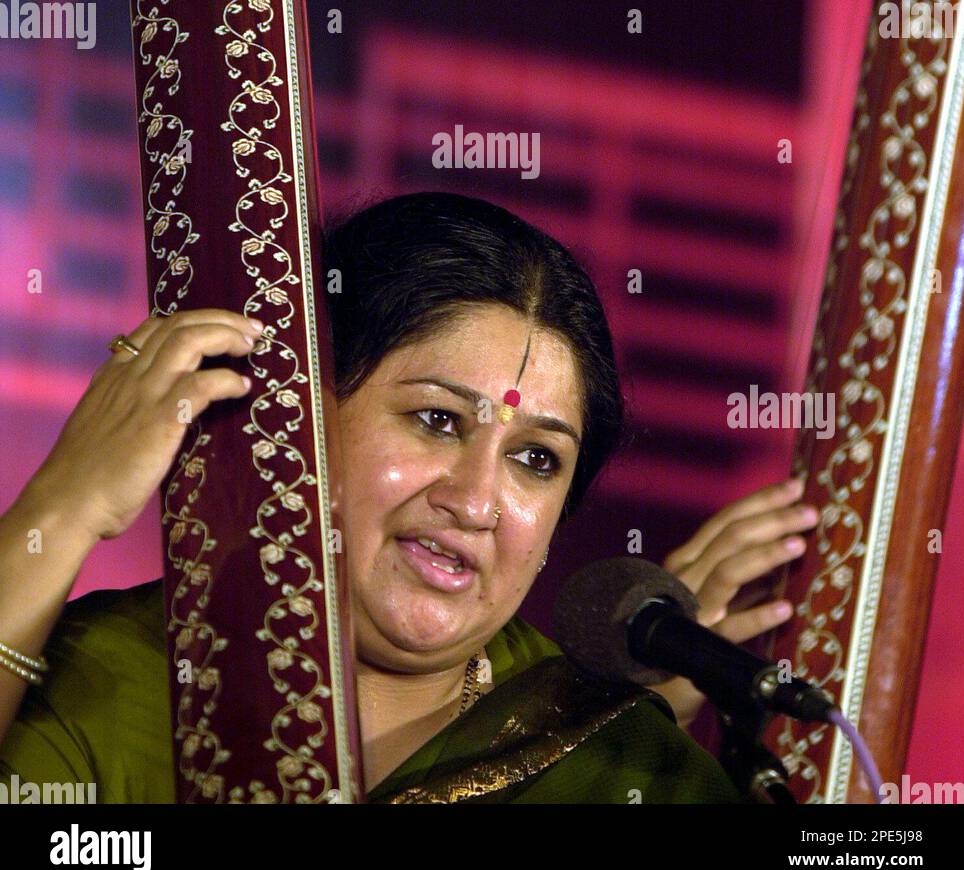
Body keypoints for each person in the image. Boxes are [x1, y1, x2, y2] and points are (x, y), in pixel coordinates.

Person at [0, 192, 817, 803]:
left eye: (535, 458)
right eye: (436, 420)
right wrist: (63, 511)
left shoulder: (628, 766)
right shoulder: (117, 678)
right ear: (301, 416)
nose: (475, 500)